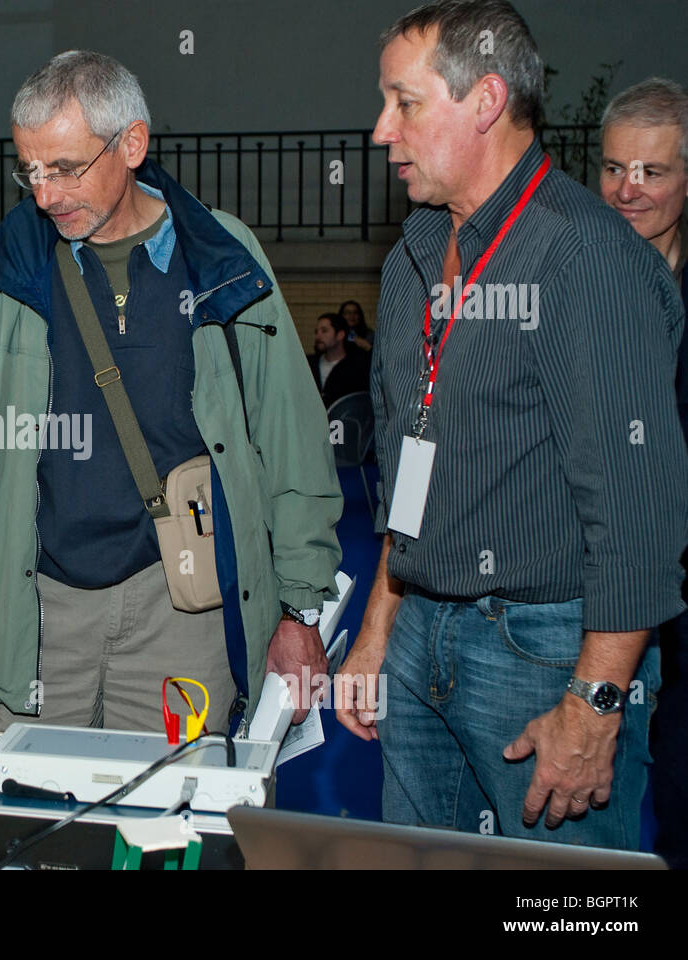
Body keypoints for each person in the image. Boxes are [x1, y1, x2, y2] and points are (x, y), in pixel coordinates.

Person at [0, 50, 342, 776]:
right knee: (19, 823)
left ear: (133, 144)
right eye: (31, 170)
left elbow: (293, 443)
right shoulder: (6, 272)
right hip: (38, 610)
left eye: (67, 167)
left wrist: (301, 611)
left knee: (180, 828)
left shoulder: (225, 258)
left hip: (186, 610)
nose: (46, 194)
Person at [336, 0, 686, 851]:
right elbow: (412, 461)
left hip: (545, 655)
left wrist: (596, 703)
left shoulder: (586, 257)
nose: (383, 130)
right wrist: (381, 627)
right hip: (421, 633)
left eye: (404, 102)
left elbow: (637, 515)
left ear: (486, 100)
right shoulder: (414, 255)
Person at [601, 77, 688, 867]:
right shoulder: (573, 289)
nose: (629, 190)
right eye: (614, 168)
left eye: (652, 172)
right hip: (595, 613)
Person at [308, 312, 371, 408]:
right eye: (316, 332)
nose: (318, 336)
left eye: (324, 331)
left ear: (340, 335)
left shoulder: (357, 367)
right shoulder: (308, 364)